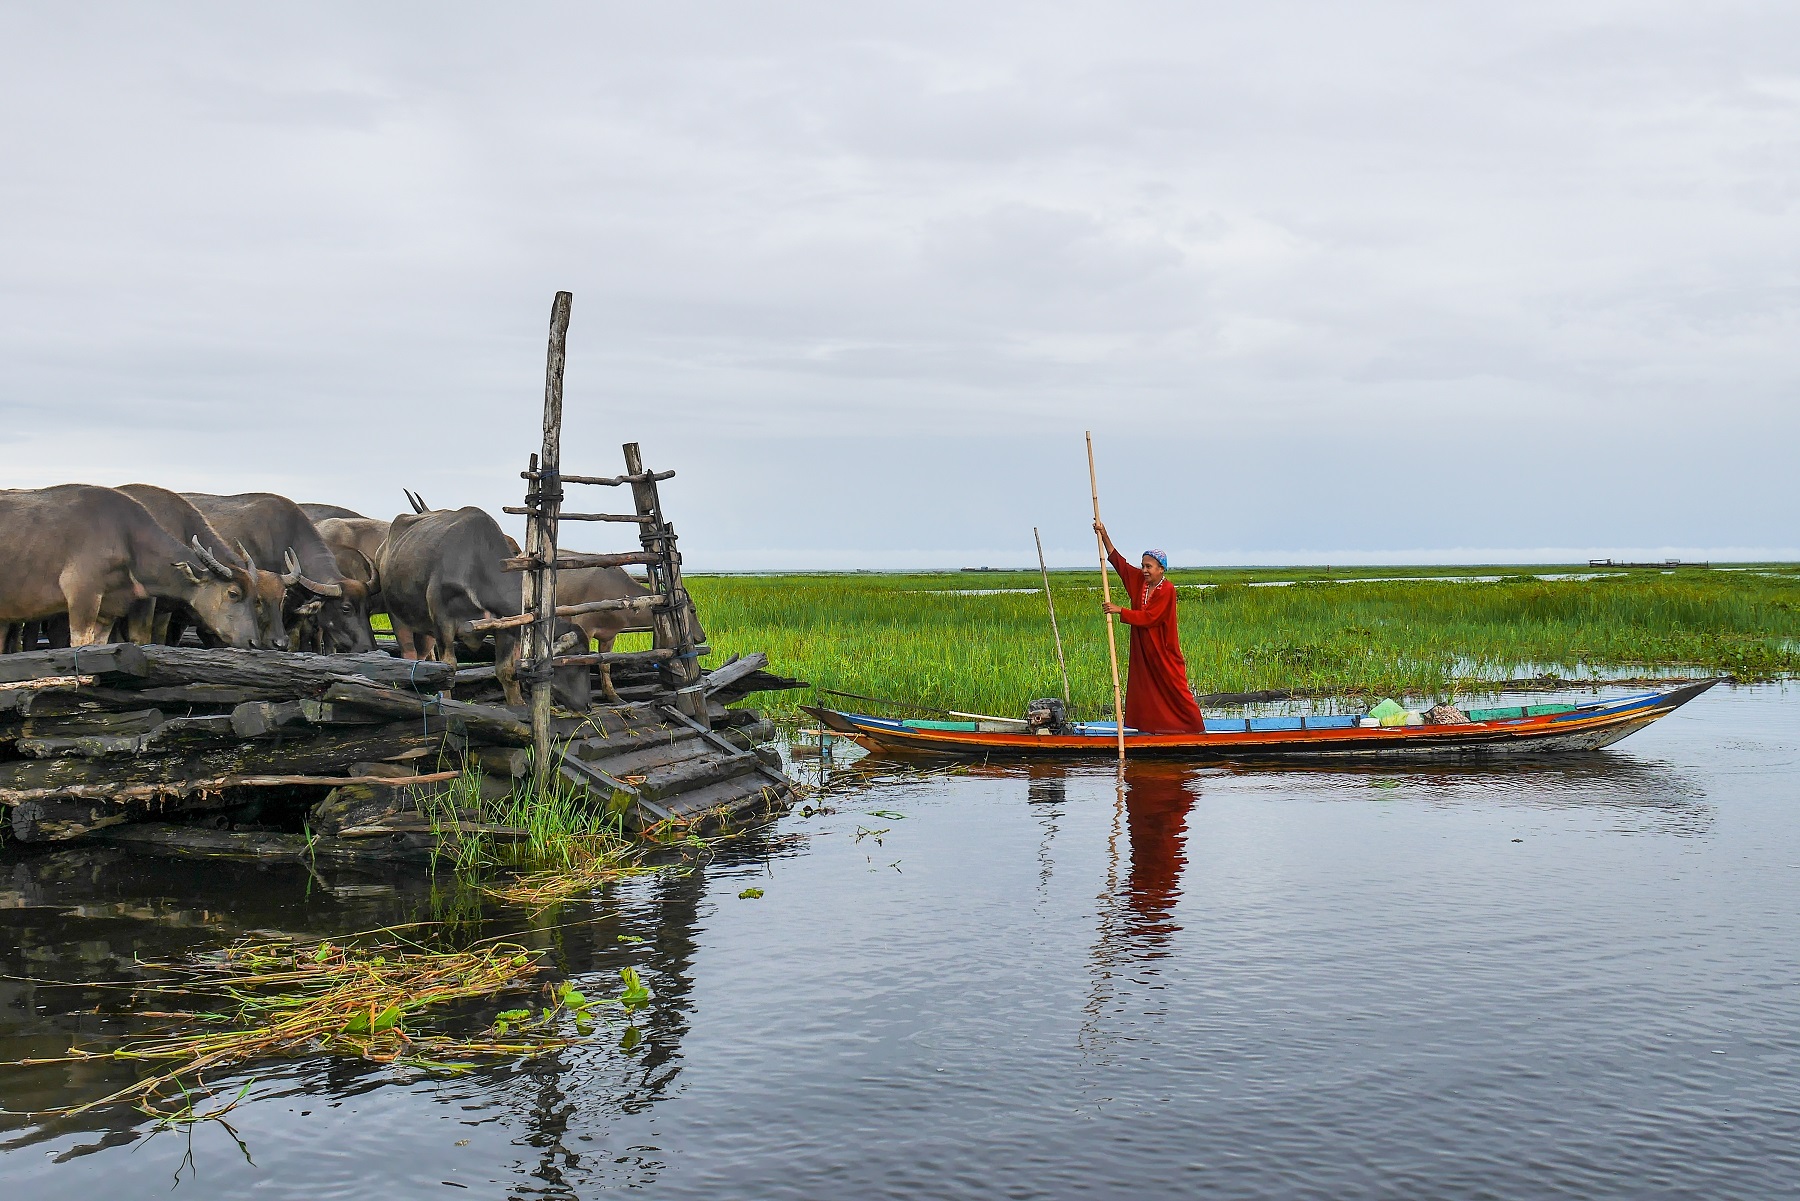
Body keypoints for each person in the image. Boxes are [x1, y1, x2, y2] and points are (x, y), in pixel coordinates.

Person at [1094, 522, 1205, 734]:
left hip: (1163, 650)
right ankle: (1152, 729)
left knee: (1176, 687)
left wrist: (1120, 610)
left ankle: (1196, 730)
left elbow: (1150, 617)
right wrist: (1104, 535)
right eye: (1143, 566)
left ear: (1161, 569)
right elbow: (1120, 564)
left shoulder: (1167, 589)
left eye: (1149, 567)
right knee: (1146, 690)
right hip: (1143, 649)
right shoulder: (1140, 582)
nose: (1144, 570)